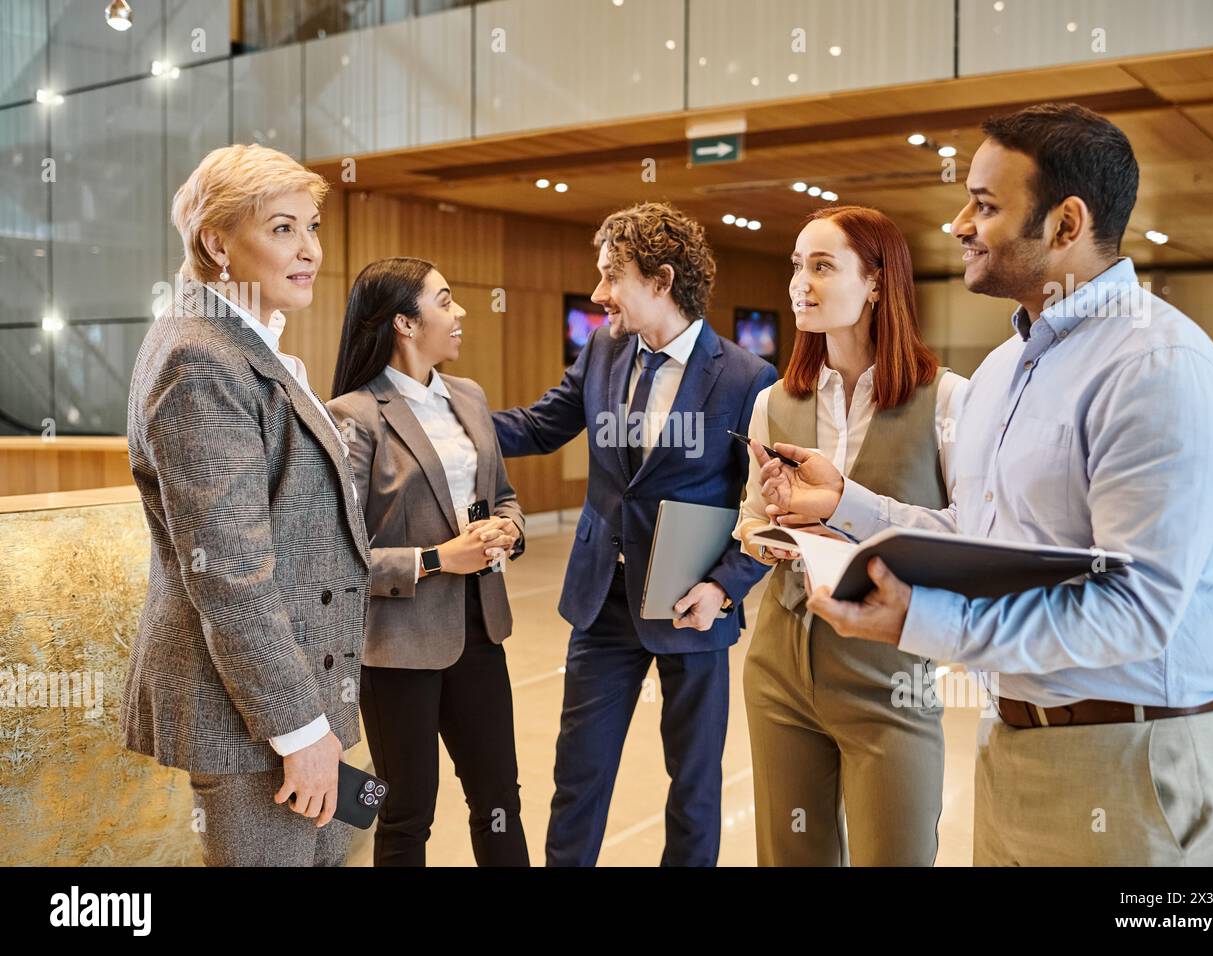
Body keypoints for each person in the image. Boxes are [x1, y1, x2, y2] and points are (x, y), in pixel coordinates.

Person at [756, 103, 1213, 866]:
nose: (960, 224)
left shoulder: (1157, 368)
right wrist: (846, 504)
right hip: (1016, 747)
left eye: (985, 206)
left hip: (1141, 759)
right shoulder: (1005, 371)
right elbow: (981, 539)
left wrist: (922, 622)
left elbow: (1136, 610)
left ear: (1066, 224)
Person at [493, 201, 777, 866]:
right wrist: (443, 416)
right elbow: (539, 426)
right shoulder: (603, 349)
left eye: (610, 277)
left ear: (661, 280)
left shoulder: (745, 378)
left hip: (691, 605)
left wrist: (725, 588)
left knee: (694, 788)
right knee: (578, 778)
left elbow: (764, 509)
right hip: (603, 604)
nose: (597, 295)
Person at [124, 144, 368, 866]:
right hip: (253, 720)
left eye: (313, 226)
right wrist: (301, 733)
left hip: (305, 695)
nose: (311, 250)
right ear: (217, 242)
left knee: (349, 838)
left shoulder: (247, 345)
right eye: (284, 228)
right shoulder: (200, 357)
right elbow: (229, 576)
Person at [734, 206, 967, 866]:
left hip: (891, 675)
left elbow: (967, 535)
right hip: (780, 669)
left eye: (822, 265)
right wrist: (769, 530)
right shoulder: (775, 400)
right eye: (795, 266)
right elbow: (749, 518)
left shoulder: (947, 400)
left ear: (875, 282)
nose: (799, 283)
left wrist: (842, 510)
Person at [327, 257, 529, 867]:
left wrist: (509, 529)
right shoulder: (353, 417)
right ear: (405, 325)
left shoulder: (468, 397)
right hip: (397, 648)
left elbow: (505, 496)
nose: (461, 311)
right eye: (445, 300)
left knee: (499, 799)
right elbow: (340, 558)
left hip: (480, 630)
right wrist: (441, 558)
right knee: (407, 811)